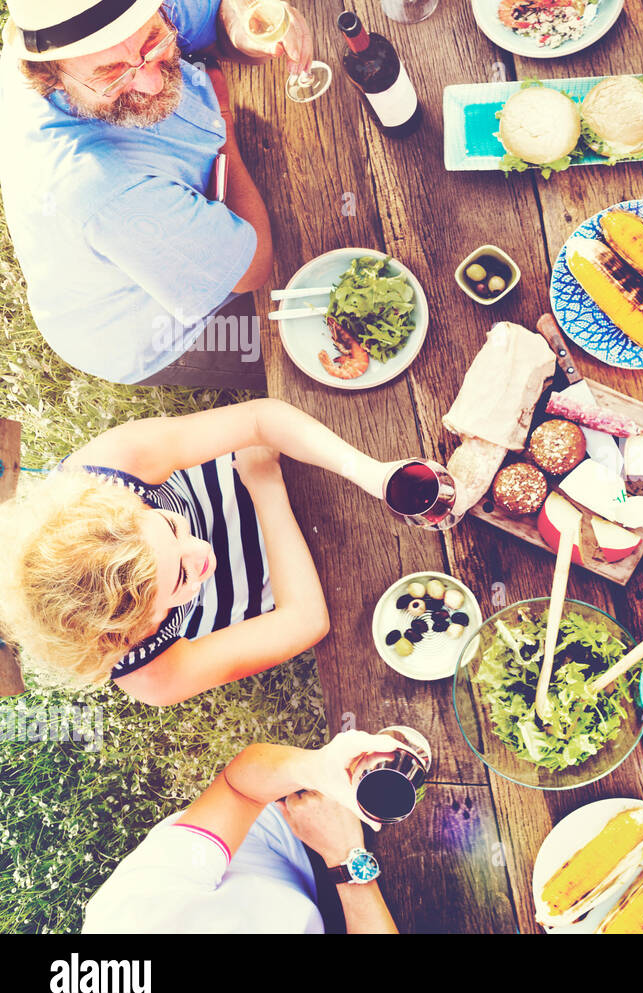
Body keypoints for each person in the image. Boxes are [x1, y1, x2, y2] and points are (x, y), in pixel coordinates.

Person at [0, 398, 413, 706]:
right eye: (181, 577)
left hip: (269, 470)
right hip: (296, 571)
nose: (200, 551)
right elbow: (305, 620)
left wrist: (370, 474)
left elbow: (260, 419)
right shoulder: (151, 676)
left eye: (169, 525)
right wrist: (265, 485)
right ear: (130, 634)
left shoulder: (111, 469)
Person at [0, 0, 314, 387]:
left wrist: (238, 23)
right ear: (51, 78)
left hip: (158, 216)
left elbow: (215, 12)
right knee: (318, 333)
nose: (154, 83)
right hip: (150, 332)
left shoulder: (103, 26)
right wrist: (226, 131)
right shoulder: (105, 190)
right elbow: (252, 267)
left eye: (154, 43)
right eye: (113, 76)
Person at [82, 731, 403, 933]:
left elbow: (240, 788)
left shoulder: (136, 910)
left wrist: (317, 767)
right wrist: (346, 860)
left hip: (294, 832)